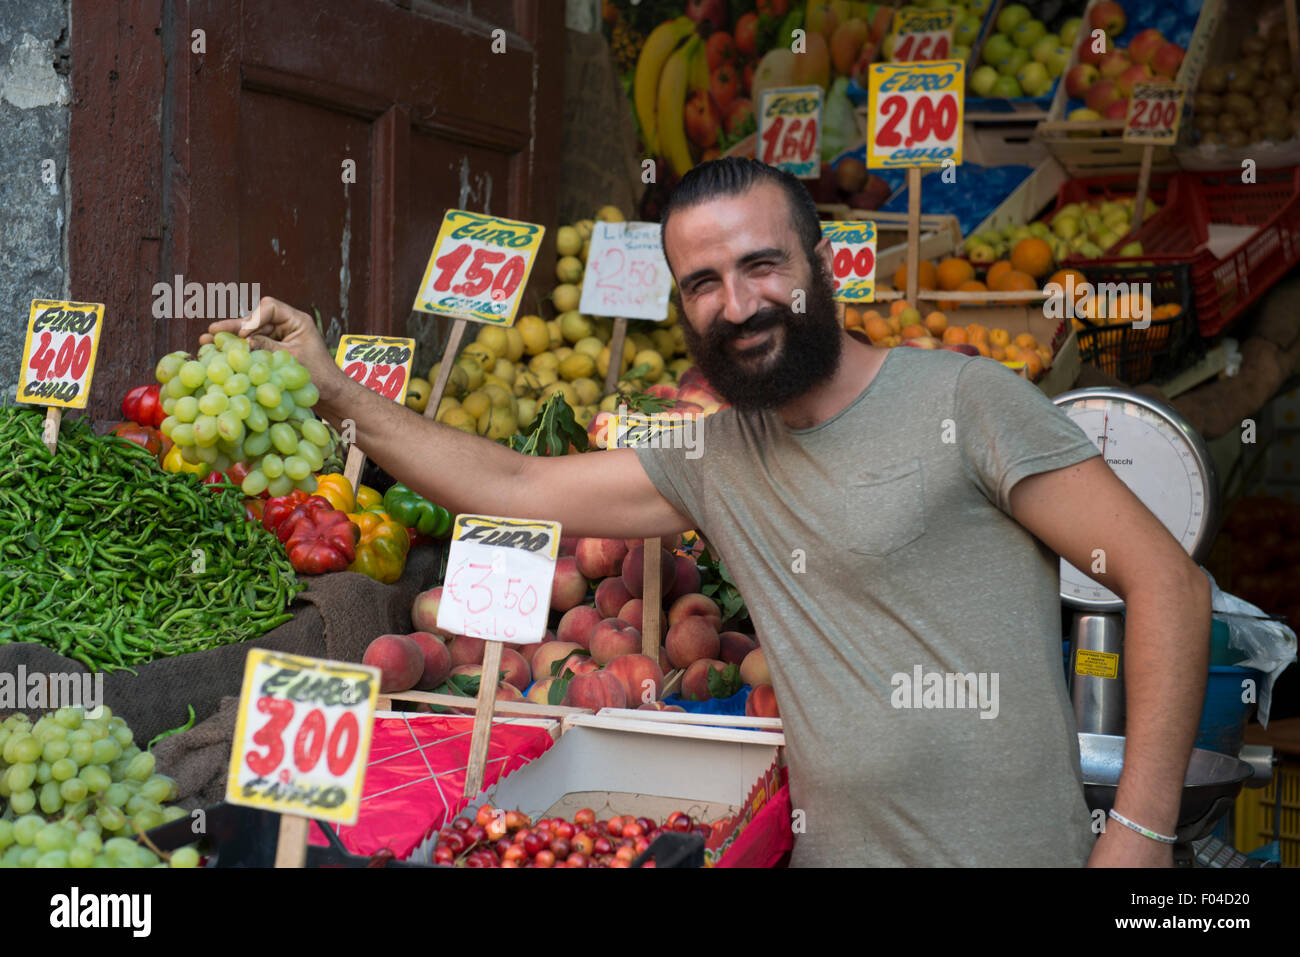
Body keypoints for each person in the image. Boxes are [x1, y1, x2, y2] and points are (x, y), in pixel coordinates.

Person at [204, 157, 1209, 867]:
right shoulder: (712, 457)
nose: (739, 303)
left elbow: (1164, 581)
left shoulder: (966, 403)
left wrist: (1139, 834)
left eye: (762, 265)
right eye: (704, 284)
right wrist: (335, 392)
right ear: (682, 309)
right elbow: (510, 486)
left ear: (821, 265)